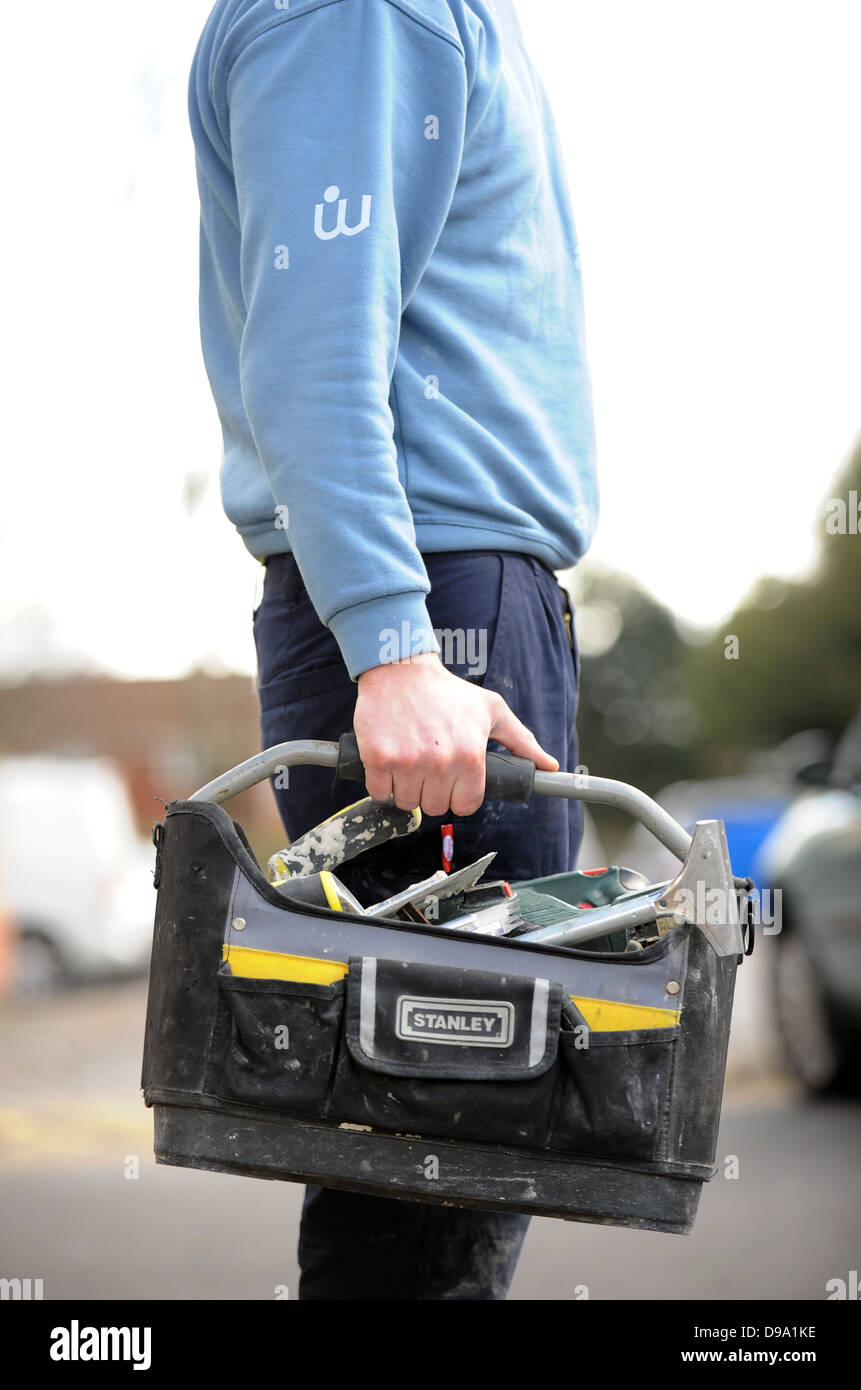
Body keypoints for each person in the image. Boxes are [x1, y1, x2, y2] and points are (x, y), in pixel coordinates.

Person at [189, 0, 598, 1300]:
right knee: (434, 1147)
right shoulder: (362, 9)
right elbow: (311, 343)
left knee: (443, 1147)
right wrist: (391, 644)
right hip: (431, 600)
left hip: (451, 596)